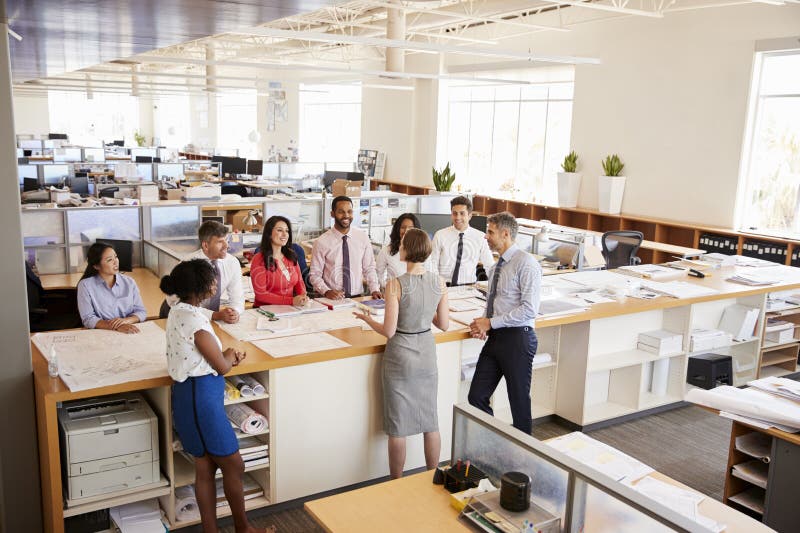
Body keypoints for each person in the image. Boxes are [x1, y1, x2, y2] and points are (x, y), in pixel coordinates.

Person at [160, 259, 271, 533]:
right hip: (202, 401)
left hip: (187, 399)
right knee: (234, 464)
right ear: (203, 288)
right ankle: (243, 529)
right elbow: (221, 366)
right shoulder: (195, 321)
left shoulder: (179, 310)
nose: (216, 283)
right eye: (212, 279)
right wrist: (231, 354)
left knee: (205, 468)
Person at [354, 228, 449, 478]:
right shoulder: (439, 282)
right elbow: (444, 324)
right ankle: (433, 475)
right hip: (427, 352)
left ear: (405, 251)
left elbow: (389, 330)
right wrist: (425, 313)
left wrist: (367, 319)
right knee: (430, 419)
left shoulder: (395, 285)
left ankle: (397, 481)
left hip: (401, 355)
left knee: (398, 426)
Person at [467, 212, 542, 435]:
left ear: (506, 233)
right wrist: (483, 323)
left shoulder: (526, 264)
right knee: (476, 396)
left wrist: (490, 322)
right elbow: (495, 300)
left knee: (519, 403)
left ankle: (524, 459)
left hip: (518, 339)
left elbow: (529, 309)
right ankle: (497, 442)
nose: (486, 237)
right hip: (496, 338)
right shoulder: (496, 267)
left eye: (490, 232)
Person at [309, 195, 381, 299]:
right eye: (341, 212)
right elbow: (314, 275)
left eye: (349, 211)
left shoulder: (362, 237)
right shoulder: (321, 242)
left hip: (357, 298)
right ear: (332, 214)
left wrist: (375, 289)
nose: (346, 215)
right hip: (331, 298)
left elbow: (369, 268)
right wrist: (326, 291)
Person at [76, 242, 146, 333]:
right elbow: (88, 319)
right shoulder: (85, 285)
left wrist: (125, 321)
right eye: (109, 260)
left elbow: (141, 312)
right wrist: (116, 327)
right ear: (96, 266)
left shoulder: (129, 282)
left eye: (116, 257)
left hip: (129, 331)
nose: (116, 261)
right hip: (102, 334)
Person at [187, 220, 244, 324]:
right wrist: (215, 315)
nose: (226, 246)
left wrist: (235, 312)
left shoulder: (232, 262)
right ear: (205, 245)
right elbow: (181, 306)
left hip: (214, 320)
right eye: (220, 242)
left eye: (226, 240)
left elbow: (238, 298)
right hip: (186, 318)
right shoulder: (188, 265)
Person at [430, 195, 494, 286]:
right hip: (444, 285)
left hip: (469, 286)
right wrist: (437, 285)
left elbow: (489, 265)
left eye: (462, 213)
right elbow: (432, 264)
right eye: (454, 213)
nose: (457, 217)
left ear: (470, 216)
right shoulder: (440, 235)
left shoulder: (480, 237)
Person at [250, 215, 308, 307]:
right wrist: (291, 301)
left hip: (289, 309)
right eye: (280, 230)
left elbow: (299, 282)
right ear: (269, 234)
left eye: (287, 231)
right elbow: (261, 295)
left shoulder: (291, 255)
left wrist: (303, 296)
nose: (285, 234)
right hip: (266, 311)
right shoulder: (259, 259)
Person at [375, 213, 426, 288]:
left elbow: (429, 273)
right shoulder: (386, 250)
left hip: (417, 292)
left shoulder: (422, 250)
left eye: (410, 228)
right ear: (397, 229)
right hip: (394, 293)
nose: (406, 231)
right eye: (403, 227)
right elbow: (378, 274)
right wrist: (387, 287)